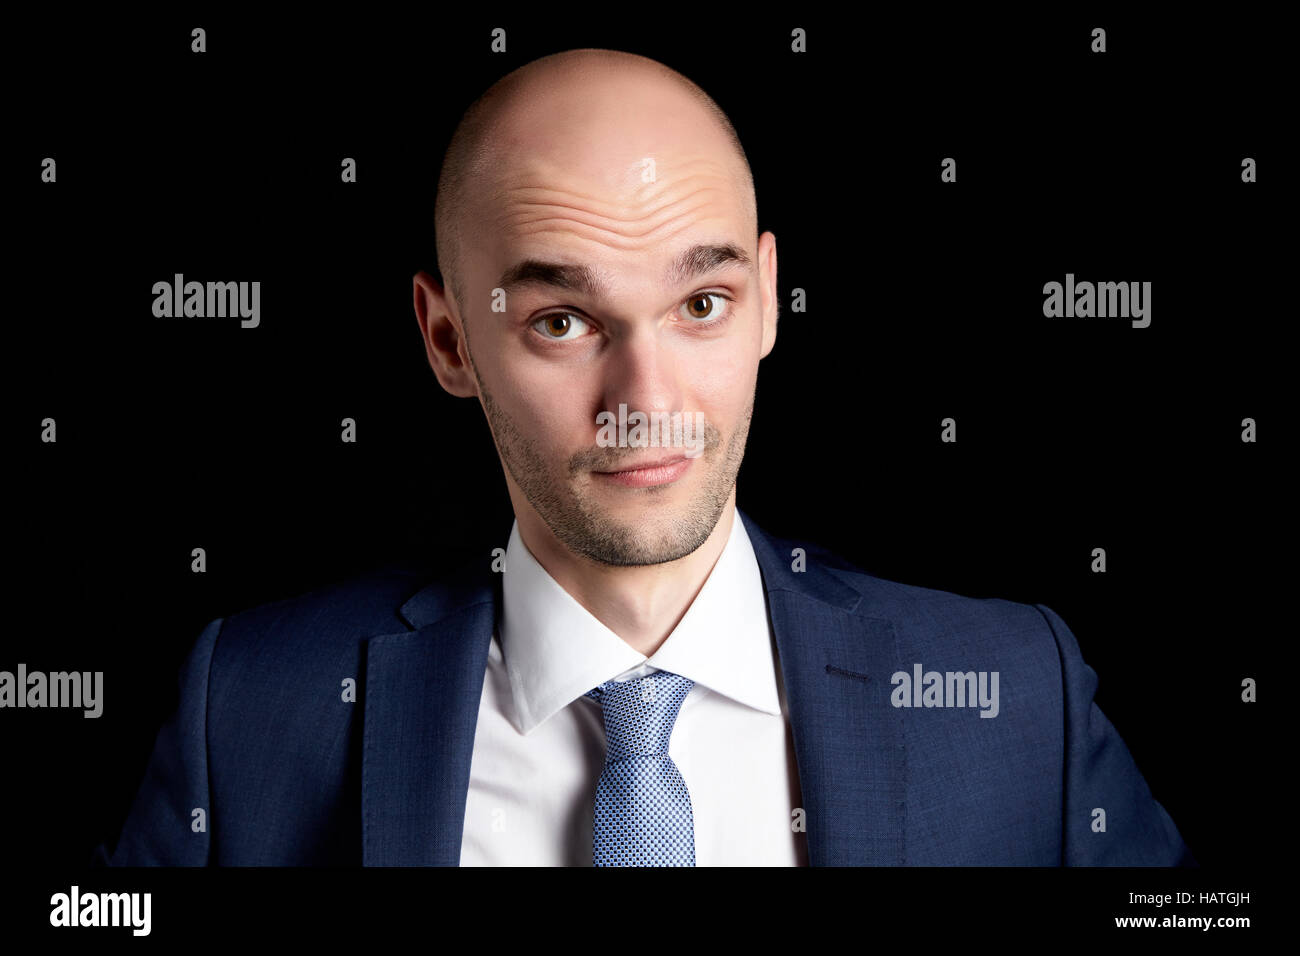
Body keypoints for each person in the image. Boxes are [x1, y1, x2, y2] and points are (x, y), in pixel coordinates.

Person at [96, 48, 1192, 867]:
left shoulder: (1015, 697)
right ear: (448, 340)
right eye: (563, 321)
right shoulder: (248, 709)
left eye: (701, 303)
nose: (646, 403)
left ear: (765, 300)